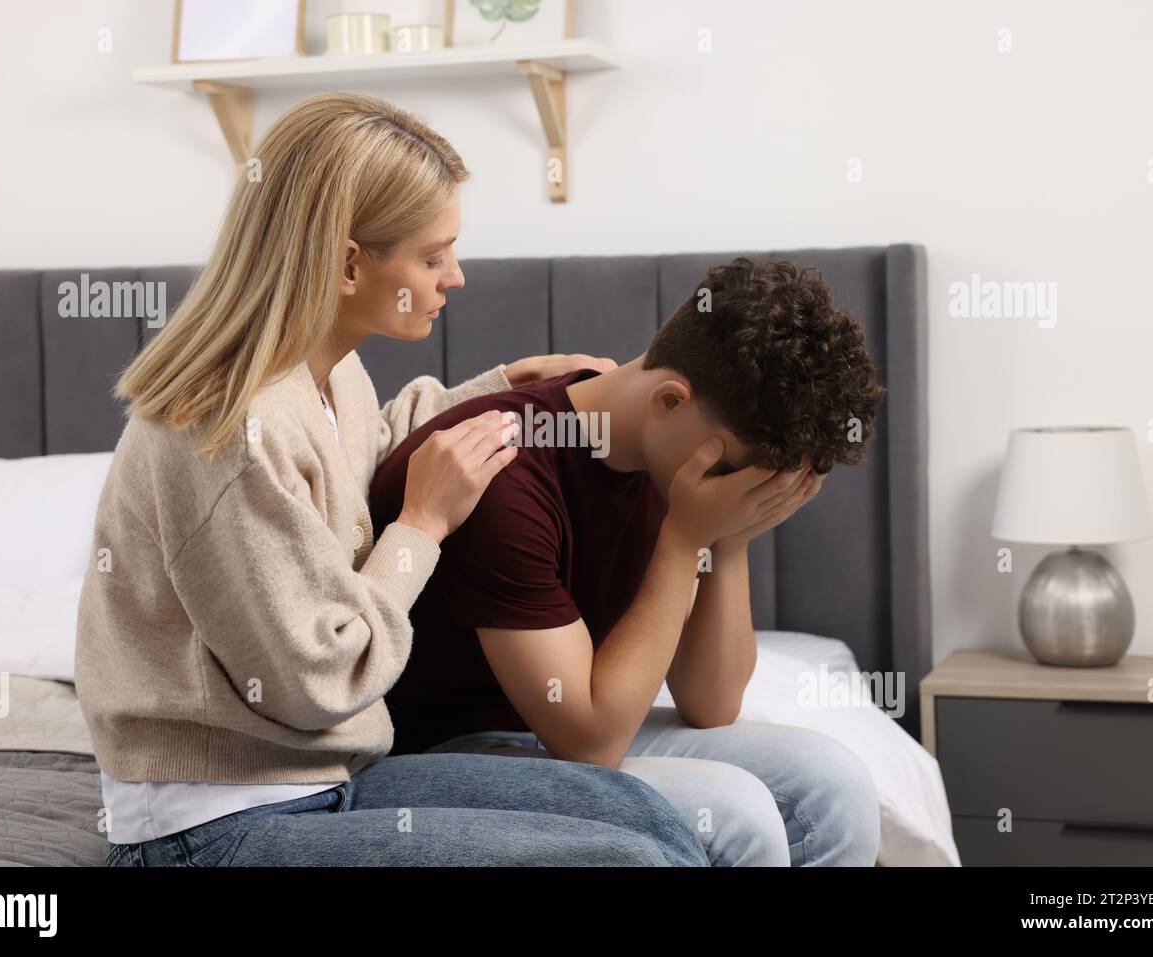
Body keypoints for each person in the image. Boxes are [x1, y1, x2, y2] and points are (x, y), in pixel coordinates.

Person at [75, 91, 709, 867]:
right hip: (214, 822)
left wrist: (501, 388)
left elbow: (360, 451)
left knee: (639, 814)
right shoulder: (223, 428)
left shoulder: (329, 373)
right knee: (628, 862)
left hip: (330, 775)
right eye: (434, 255)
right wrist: (421, 528)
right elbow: (318, 679)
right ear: (349, 263)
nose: (457, 276)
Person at [369, 256, 888, 866]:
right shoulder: (504, 471)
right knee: (735, 810)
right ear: (670, 400)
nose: (731, 490)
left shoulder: (669, 457)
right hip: (448, 752)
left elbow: (711, 703)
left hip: (562, 733)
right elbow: (589, 743)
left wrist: (730, 535)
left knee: (836, 785)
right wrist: (681, 540)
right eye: (732, 472)